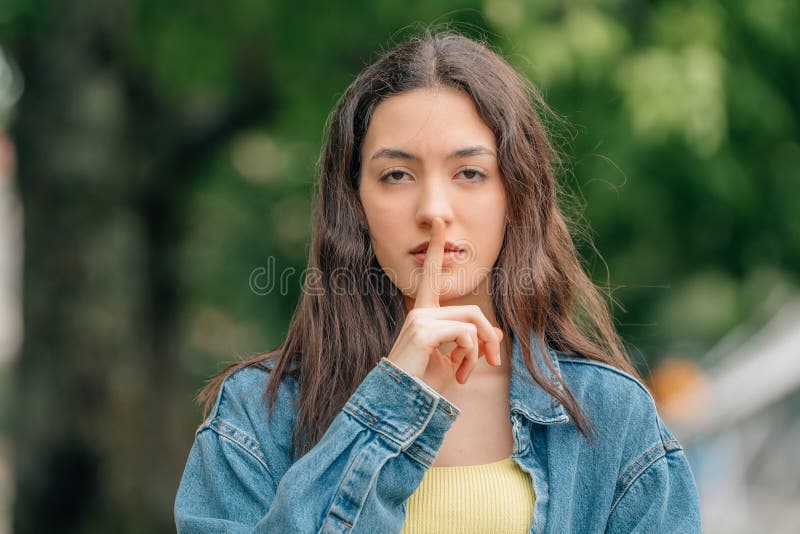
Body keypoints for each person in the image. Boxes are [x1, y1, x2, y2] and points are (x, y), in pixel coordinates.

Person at [174, 29, 702, 533]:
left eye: (469, 173)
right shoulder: (257, 416)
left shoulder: (610, 416)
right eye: (396, 175)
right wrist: (392, 400)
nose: (433, 210)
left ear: (515, 196)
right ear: (354, 202)